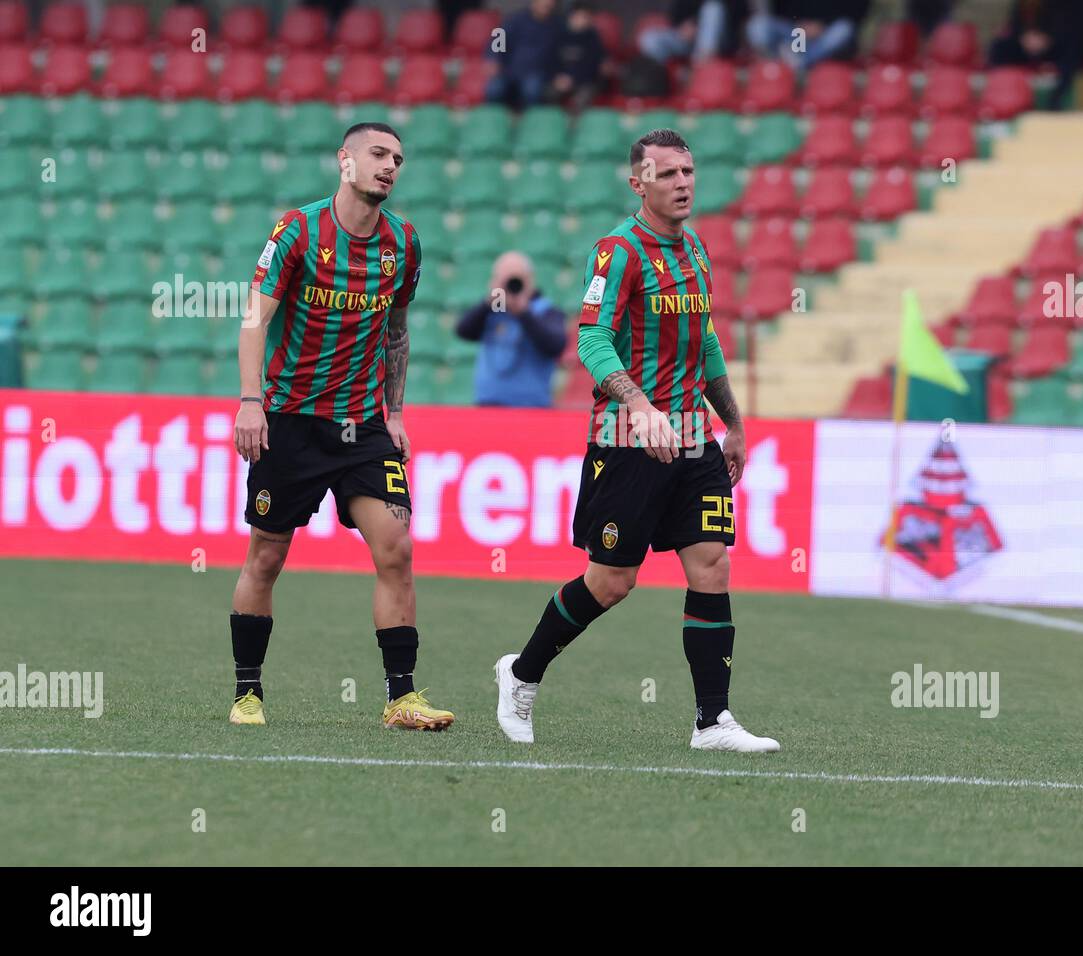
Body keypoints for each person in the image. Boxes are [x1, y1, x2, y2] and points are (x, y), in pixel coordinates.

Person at [492, 129, 780, 753]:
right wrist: (641, 405)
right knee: (612, 582)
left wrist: (732, 424)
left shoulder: (696, 251)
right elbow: (591, 340)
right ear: (639, 182)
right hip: (628, 438)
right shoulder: (617, 252)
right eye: (668, 174)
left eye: (689, 172)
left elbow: (704, 345)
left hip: (694, 441)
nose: (682, 183)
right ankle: (521, 674)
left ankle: (713, 721)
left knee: (711, 563)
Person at [228, 122, 455, 732]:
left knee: (397, 548)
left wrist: (396, 411)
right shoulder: (297, 230)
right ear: (345, 161)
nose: (389, 166)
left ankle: (401, 698)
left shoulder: (404, 244)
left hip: (361, 425)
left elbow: (397, 332)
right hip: (291, 420)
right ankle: (248, 693)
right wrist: (252, 402)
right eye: (378, 154)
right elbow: (255, 319)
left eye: (398, 159)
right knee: (268, 557)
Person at [454, 251, 567, 408]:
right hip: (489, 405)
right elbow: (463, 330)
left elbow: (556, 345)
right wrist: (490, 299)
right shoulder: (491, 311)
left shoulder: (545, 311)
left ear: (530, 280)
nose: (511, 287)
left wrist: (524, 313)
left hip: (532, 409)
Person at [988, 0, 1083, 111]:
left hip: (1064, 49)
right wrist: (1025, 38)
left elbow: (1077, 31)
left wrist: (1048, 40)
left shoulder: (1079, 3)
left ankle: (1054, 102)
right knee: (1001, 46)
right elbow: (1016, 24)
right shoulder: (1026, 4)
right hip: (1031, 46)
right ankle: (999, 93)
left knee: (1071, 52)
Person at [484, 0, 564, 110]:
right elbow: (499, 39)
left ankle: (530, 124)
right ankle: (494, 122)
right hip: (508, 70)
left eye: (549, 6)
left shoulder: (557, 26)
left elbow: (562, 53)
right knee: (494, 90)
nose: (546, 7)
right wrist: (493, 59)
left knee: (531, 91)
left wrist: (560, 73)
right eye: (543, 4)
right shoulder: (516, 20)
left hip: (537, 73)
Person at [746, 0, 870, 70]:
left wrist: (822, 25)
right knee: (758, 25)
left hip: (825, 35)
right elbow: (778, 9)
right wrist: (798, 23)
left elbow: (856, 13)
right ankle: (788, 61)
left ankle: (797, 63)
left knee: (843, 29)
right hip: (795, 31)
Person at [638, 0, 749, 63]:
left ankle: (702, 64)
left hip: (720, 42)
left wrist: (697, 24)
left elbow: (740, 12)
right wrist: (682, 27)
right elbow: (675, 15)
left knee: (712, 8)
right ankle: (661, 77)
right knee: (649, 38)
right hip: (688, 41)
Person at [548, 1, 606, 111]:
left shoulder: (593, 39)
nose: (583, 20)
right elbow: (550, 61)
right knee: (548, 94)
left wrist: (573, 79)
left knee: (582, 98)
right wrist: (557, 77)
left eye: (586, 17)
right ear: (571, 17)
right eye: (580, 16)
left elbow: (592, 66)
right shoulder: (558, 35)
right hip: (559, 79)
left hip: (583, 81)